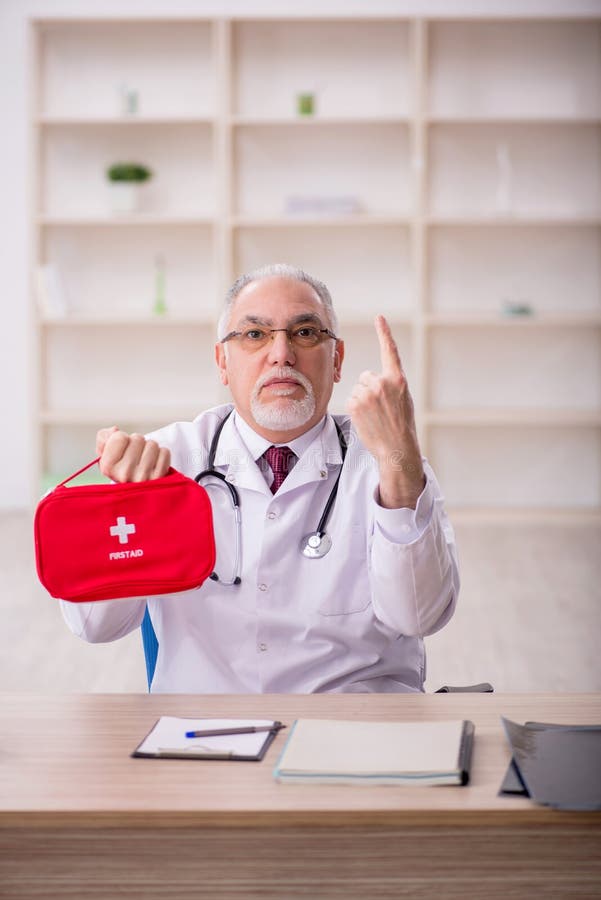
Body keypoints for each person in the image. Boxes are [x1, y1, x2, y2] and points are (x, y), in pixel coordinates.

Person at [60, 264, 459, 693]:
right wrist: (126, 509)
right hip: (203, 735)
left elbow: (421, 617)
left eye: (305, 333)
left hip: (353, 726)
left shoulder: (388, 458)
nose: (281, 353)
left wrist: (399, 459)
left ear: (337, 359)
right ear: (222, 362)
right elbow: (95, 626)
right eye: (255, 335)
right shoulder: (165, 460)